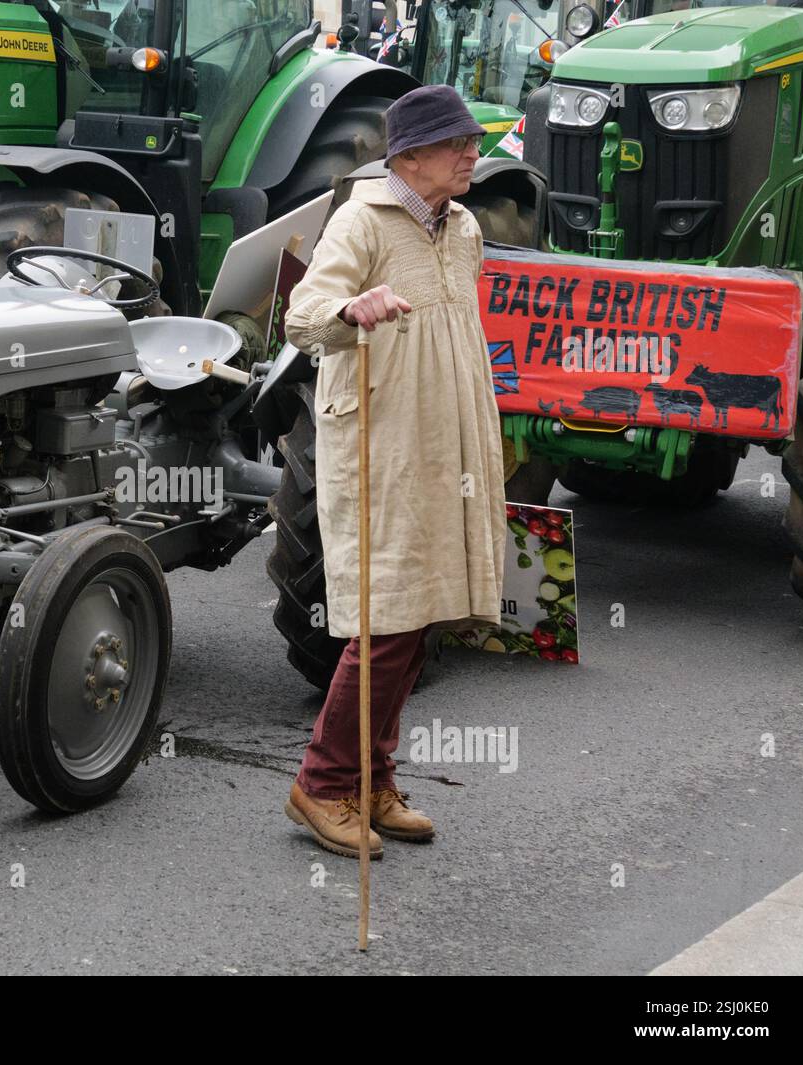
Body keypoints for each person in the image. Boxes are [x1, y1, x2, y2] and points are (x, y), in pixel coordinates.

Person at [282, 85, 507, 860]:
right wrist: (352, 311)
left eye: (473, 142)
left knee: (423, 611)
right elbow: (303, 316)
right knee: (386, 619)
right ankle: (322, 782)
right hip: (381, 440)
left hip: (445, 441)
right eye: (458, 144)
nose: (473, 154)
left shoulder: (467, 225)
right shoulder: (360, 220)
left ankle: (373, 779)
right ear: (409, 157)